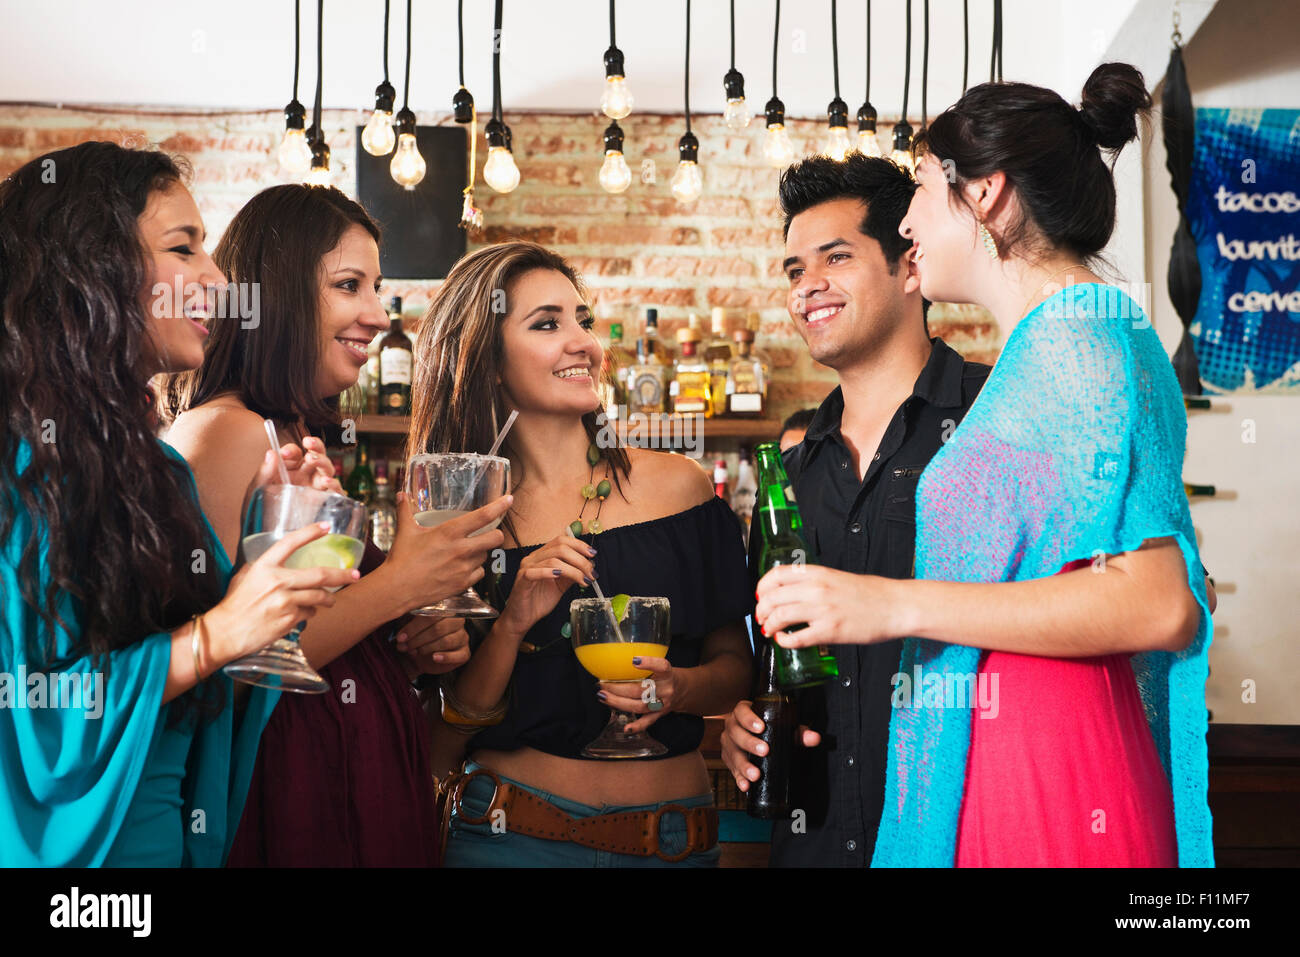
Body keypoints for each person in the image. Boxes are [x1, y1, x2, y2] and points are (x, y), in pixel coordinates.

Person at [754, 64, 1215, 867]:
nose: (909, 228)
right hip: (1014, 751)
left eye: (925, 194)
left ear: (988, 194)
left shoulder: (1078, 339)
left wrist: (887, 604)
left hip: (1052, 764)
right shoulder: (1049, 348)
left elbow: (1161, 601)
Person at [0, 142, 353, 866]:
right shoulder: (23, 466)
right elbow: (33, 714)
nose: (217, 280)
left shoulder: (161, 470)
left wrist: (272, 537)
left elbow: (207, 693)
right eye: (182, 247)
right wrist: (217, 633)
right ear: (90, 265)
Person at [162, 184, 509, 866]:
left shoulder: (291, 432)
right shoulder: (225, 432)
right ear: (278, 291)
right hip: (285, 794)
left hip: (347, 779)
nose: (378, 315)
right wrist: (401, 584)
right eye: (349, 285)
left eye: (375, 288)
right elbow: (220, 674)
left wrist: (402, 644)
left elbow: (312, 632)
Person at [412, 241, 753, 867]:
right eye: (548, 324)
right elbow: (444, 737)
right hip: (509, 839)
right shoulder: (458, 521)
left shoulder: (680, 487)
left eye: (583, 321)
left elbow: (736, 665)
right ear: (486, 360)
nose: (585, 343)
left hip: (673, 843)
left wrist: (678, 688)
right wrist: (512, 622)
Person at [721, 153, 992, 866]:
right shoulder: (787, 473)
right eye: (792, 269)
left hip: (967, 837)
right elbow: (776, 666)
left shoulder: (996, 415)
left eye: (834, 258)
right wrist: (741, 725)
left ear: (911, 265)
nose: (807, 286)